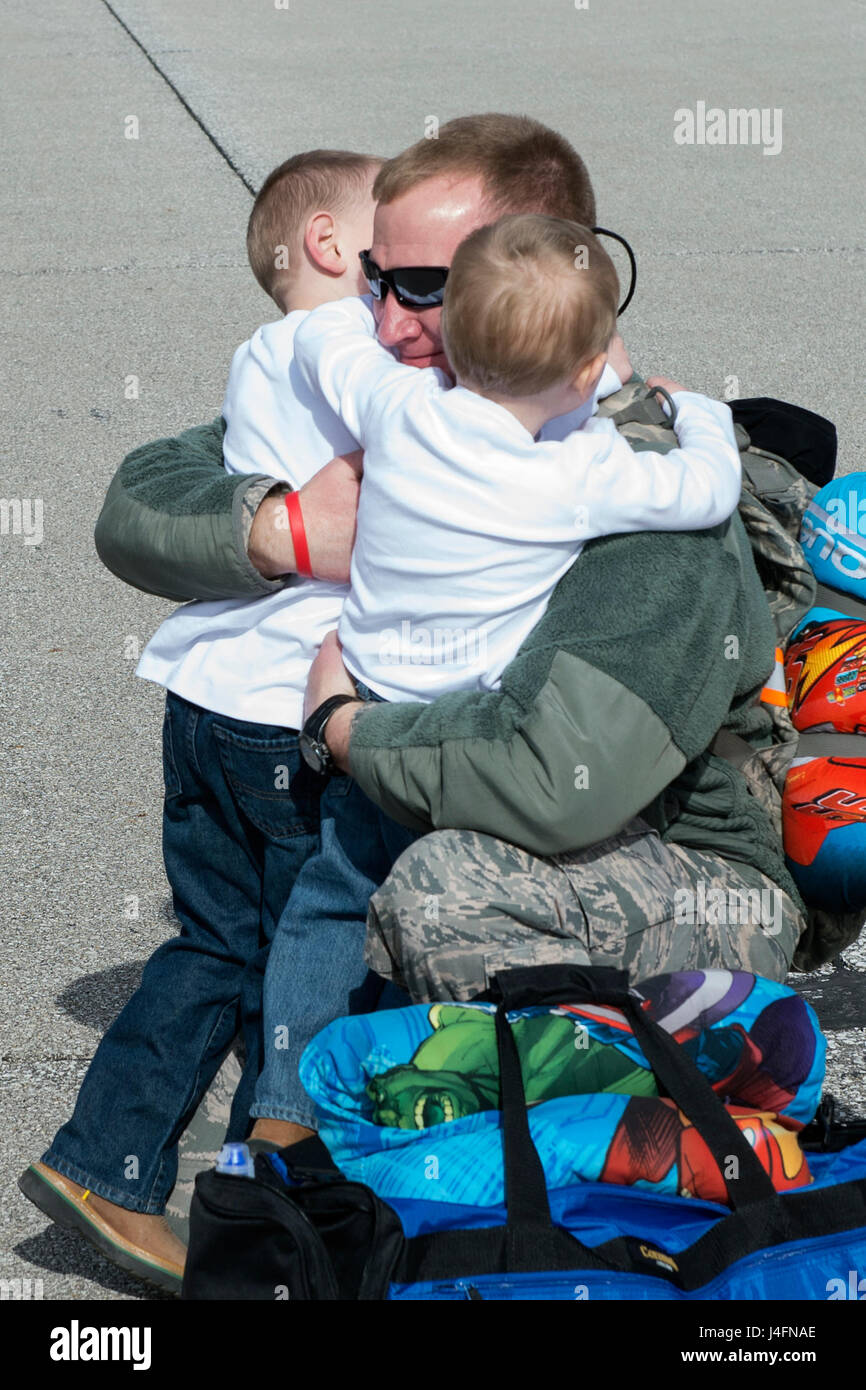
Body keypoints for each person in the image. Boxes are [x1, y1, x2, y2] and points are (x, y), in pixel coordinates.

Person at [246, 212, 743, 1139]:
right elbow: (707, 489)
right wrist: (699, 414)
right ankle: (450, 1113)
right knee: (448, 913)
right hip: (463, 737)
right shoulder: (580, 471)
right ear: (589, 370)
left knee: (328, 901)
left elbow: (324, 345)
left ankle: (286, 1109)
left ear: (449, 340)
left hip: (367, 696)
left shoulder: (399, 413)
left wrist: (358, 302)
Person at [18, 148, 383, 1293]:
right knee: (310, 939)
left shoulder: (262, 356)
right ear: (332, 245)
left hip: (208, 694)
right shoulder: (345, 343)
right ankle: (273, 1178)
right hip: (287, 707)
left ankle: (105, 1162)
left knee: (215, 939)